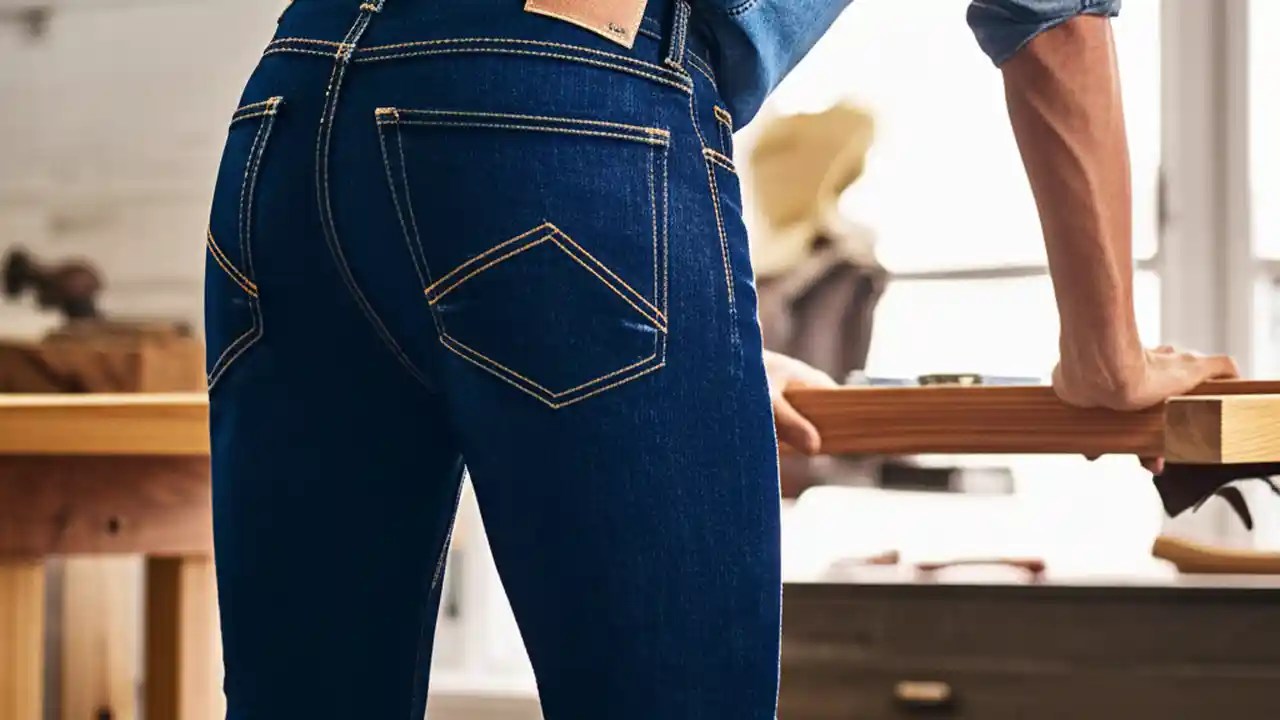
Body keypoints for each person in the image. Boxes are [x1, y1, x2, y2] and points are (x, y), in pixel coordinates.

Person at [203, 0, 1236, 717]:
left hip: (290, 115)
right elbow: (1050, 25)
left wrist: (698, 345)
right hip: (566, 90)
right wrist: (1109, 360)